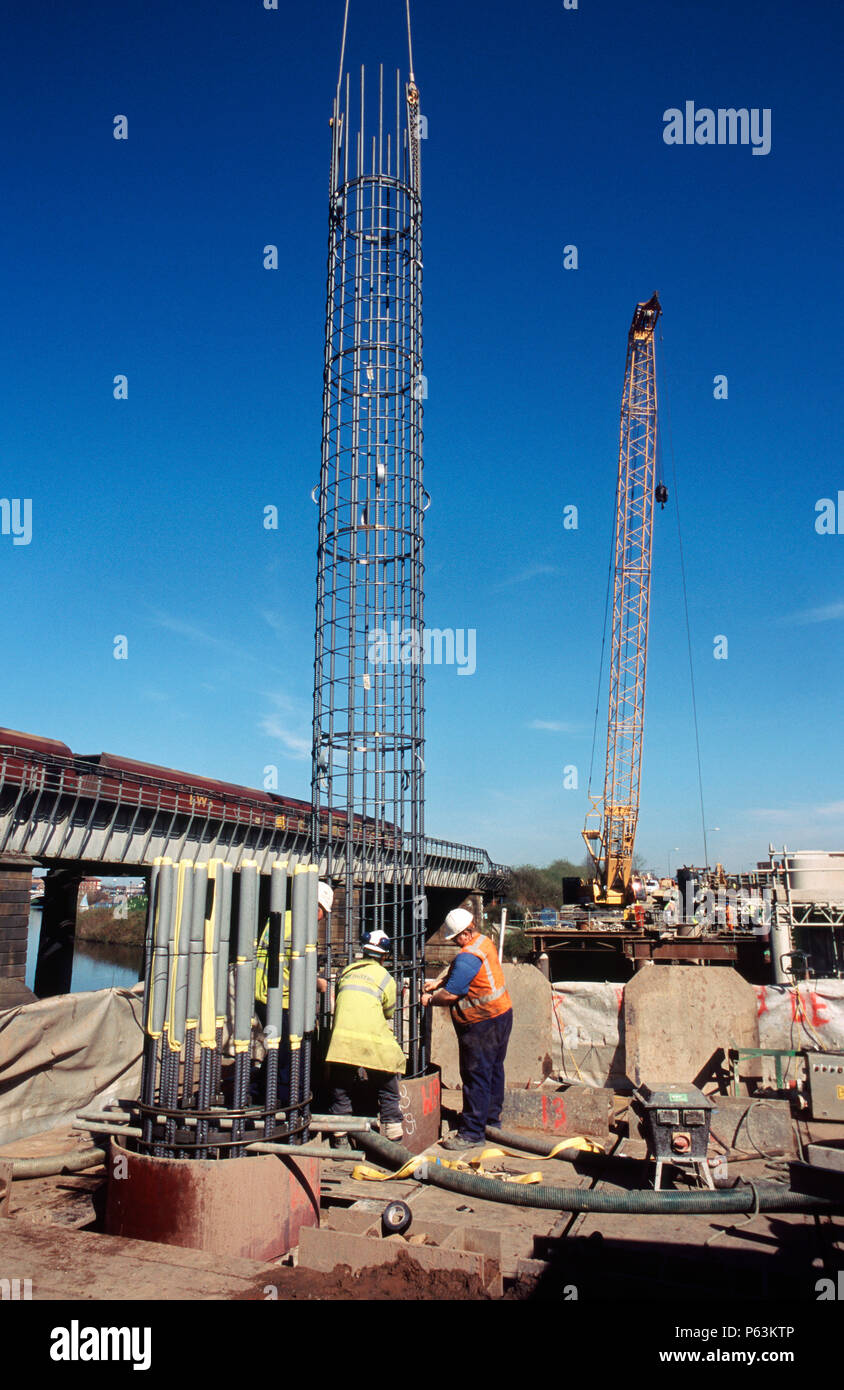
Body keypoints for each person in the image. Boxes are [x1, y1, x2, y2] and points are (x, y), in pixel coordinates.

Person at [422, 907, 513, 1150]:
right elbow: (462, 972)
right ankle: (492, 1122)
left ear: (463, 934)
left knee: (475, 1076)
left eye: (454, 939)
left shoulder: (466, 956)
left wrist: (430, 1000)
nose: (454, 944)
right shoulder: (483, 942)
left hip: (480, 1022)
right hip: (502, 1014)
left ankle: (473, 1133)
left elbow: (452, 994)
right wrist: (440, 981)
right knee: (493, 1071)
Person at [254, 879, 332, 1105]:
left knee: (276, 1047)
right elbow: (297, 966)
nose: (323, 918)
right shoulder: (301, 928)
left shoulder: (282, 918)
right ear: (314, 906)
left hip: (263, 996)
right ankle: (282, 1102)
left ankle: (260, 1091)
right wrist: (318, 983)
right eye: (323, 912)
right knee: (287, 1052)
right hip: (282, 1000)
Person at [326, 929, 406, 1146]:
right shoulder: (386, 977)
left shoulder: (346, 971)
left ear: (364, 951)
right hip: (373, 1042)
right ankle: (393, 1137)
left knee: (341, 1088)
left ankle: (339, 1137)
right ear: (384, 955)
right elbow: (388, 1012)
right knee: (388, 1084)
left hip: (342, 1042)